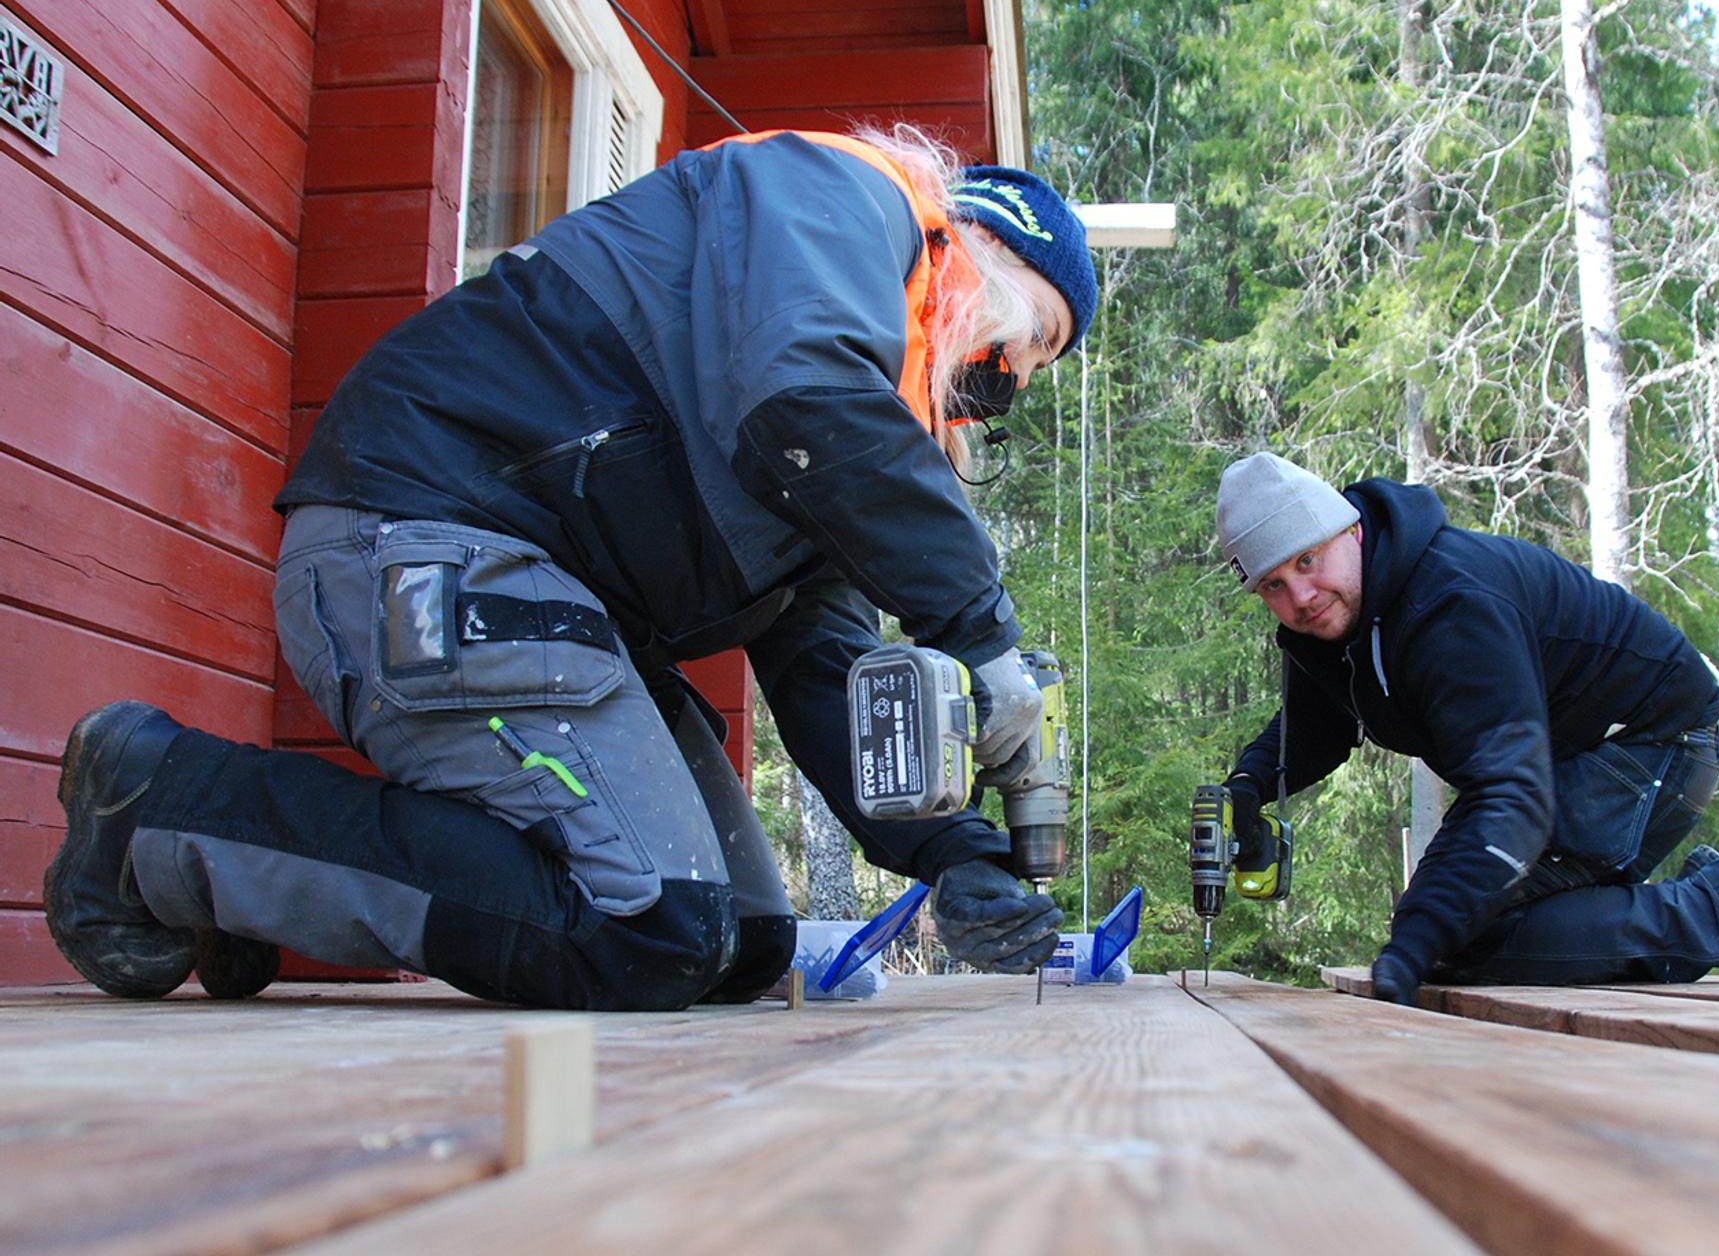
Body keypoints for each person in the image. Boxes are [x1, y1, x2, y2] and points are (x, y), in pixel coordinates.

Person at [44, 127, 1099, 1009]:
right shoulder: (841, 198)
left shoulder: (842, 447)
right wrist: (979, 630)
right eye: (1034, 338)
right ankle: (158, 802)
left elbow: (825, 669)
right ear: (984, 248)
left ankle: (233, 875)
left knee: (739, 940)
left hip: (529, 596)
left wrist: (954, 854)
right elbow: (806, 394)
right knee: (653, 927)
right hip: (419, 535)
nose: (1009, 379)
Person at [1206, 451, 1719, 1005]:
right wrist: (1247, 787)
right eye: (1272, 585)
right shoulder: (1335, 628)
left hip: (1652, 741)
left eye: (1306, 561)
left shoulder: (1449, 602)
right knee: (1456, 932)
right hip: (1564, 760)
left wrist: (1413, 943)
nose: (1299, 597)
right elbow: (1318, 728)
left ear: (1349, 528)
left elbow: (1512, 799)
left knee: (1446, 939)